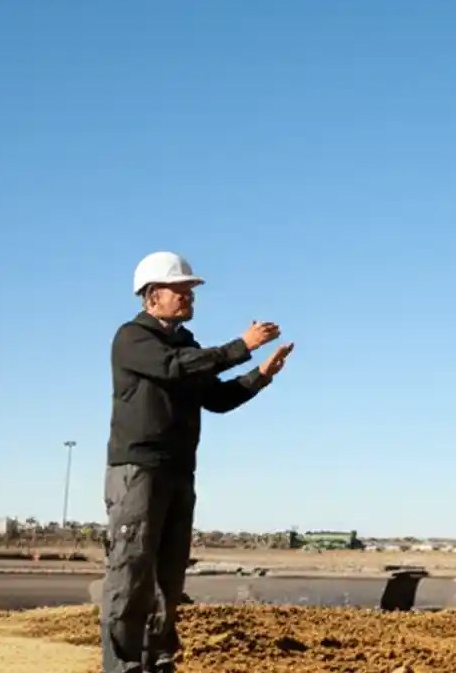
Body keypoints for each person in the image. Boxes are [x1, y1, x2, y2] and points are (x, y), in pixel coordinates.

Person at [101, 251, 293, 673]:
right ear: (153, 296)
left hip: (178, 471)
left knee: (168, 576)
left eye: (191, 290)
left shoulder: (187, 345)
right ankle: (123, 665)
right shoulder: (133, 338)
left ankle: (159, 659)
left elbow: (216, 398)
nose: (190, 297)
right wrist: (240, 346)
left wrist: (260, 374)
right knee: (131, 573)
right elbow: (173, 369)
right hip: (139, 471)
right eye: (181, 289)